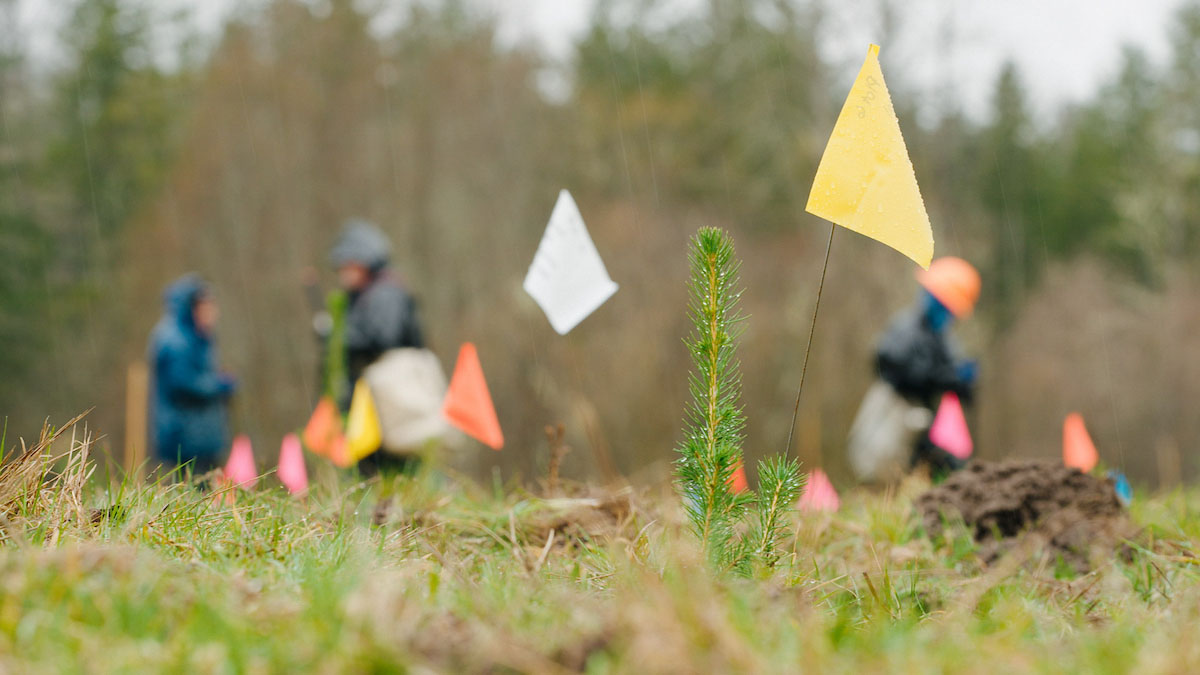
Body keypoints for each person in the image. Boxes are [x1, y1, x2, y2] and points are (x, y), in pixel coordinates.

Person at [848, 257, 981, 481]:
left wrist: (960, 380)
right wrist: (941, 378)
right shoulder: (905, 328)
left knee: (944, 467)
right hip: (897, 411)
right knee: (882, 468)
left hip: (928, 419)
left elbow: (953, 381)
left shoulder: (944, 340)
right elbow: (889, 363)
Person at [316, 219, 427, 475]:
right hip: (370, 402)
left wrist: (337, 336)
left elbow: (382, 338)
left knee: (392, 466)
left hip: (390, 400)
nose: (344, 273)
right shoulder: (361, 296)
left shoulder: (386, 293)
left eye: (349, 265)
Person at [148, 275, 237, 476]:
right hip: (184, 436)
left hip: (201, 435)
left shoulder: (199, 336)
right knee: (189, 490)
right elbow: (182, 383)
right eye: (206, 307)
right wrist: (219, 385)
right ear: (191, 308)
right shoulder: (175, 339)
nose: (213, 312)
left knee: (206, 490)